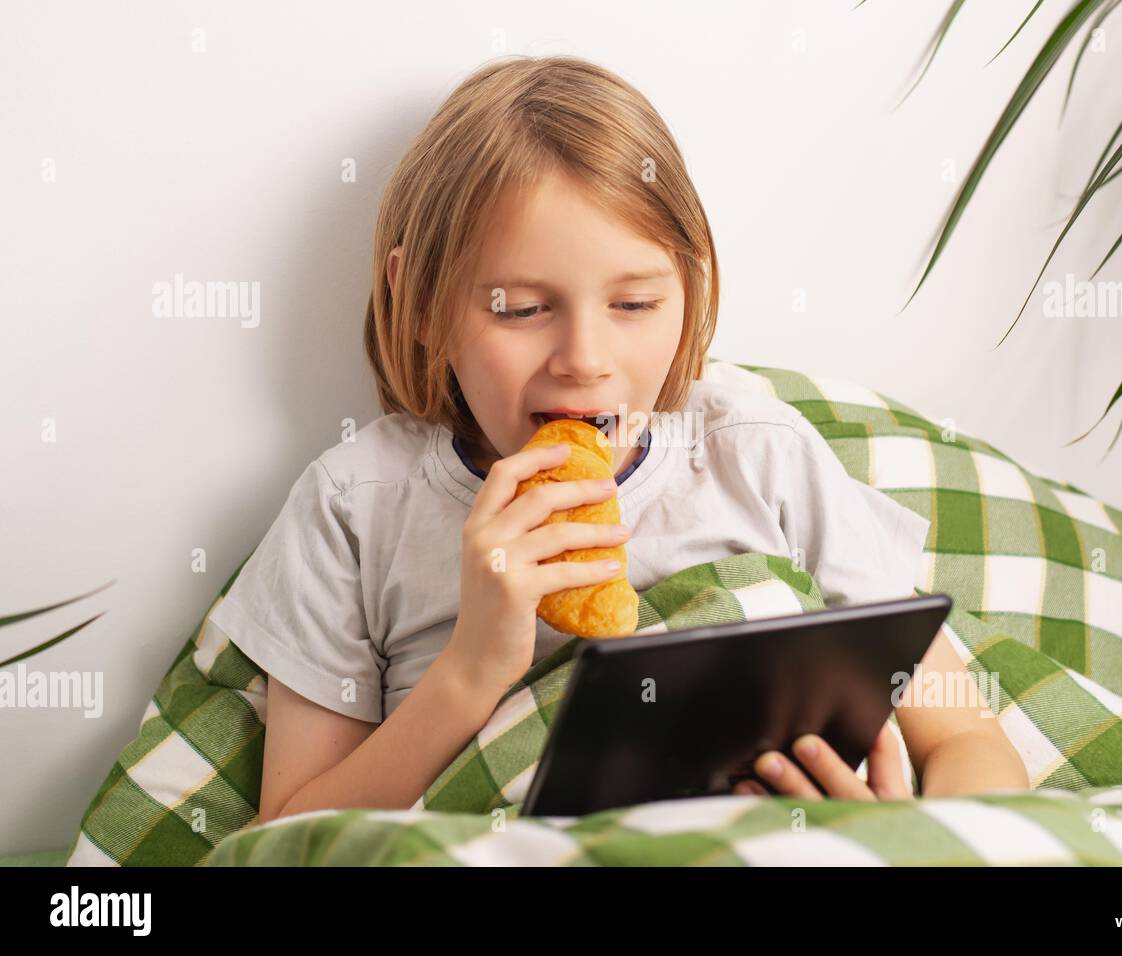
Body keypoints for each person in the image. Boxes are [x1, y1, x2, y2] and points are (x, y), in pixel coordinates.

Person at [206, 55, 1029, 822]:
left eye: (634, 304)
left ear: (690, 286)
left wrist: (903, 833)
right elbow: (288, 840)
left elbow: (965, 741)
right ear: (420, 300)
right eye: (522, 309)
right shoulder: (356, 509)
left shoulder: (758, 455)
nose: (586, 361)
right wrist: (474, 668)